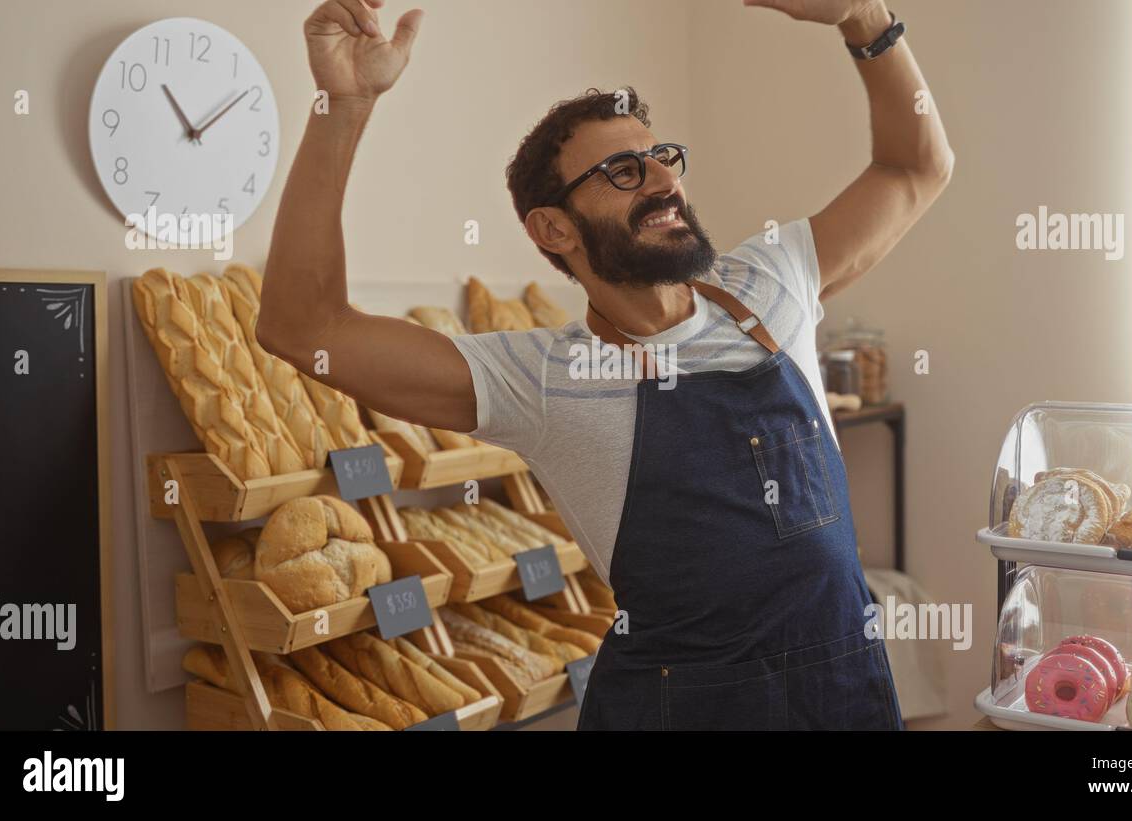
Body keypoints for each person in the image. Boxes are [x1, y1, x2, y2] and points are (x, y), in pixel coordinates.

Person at [258, 0, 952, 730]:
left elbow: (918, 167)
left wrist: (866, 20)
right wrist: (343, 103)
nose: (662, 180)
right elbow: (303, 326)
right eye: (623, 171)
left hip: (844, 699)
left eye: (663, 158)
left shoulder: (772, 280)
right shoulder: (542, 380)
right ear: (553, 227)